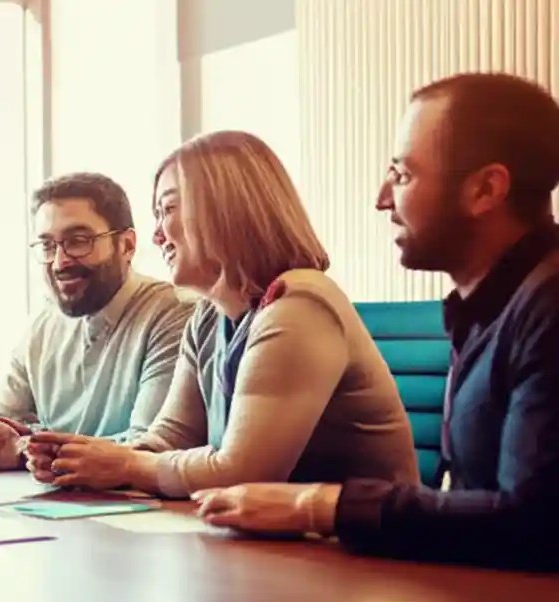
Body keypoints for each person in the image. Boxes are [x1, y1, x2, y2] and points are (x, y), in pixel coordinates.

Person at [195, 73, 559, 570]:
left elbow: (535, 523)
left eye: (402, 175)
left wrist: (318, 506)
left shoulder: (548, 308)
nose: (382, 198)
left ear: (485, 190)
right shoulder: (487, 307)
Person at [25, 132, 419, 499]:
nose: (158, 235)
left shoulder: (299, 303)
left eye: (168, 210)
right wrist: (78, 459)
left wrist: (127, 464)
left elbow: (243, 474)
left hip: (365, 558)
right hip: (284, 547)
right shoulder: (209, 318)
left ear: (223, 209)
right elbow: (169, 439)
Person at [0, 172, 193, 475]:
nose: (60, 262)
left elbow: (149, 446)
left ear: (127, 245)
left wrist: (24, 448)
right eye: (48, 246)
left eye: (78, 241)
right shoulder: (43, 326)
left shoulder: (173, 314)